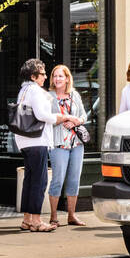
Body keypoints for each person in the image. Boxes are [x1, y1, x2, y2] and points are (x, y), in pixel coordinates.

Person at [15, 58, 81, 233]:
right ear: (34, 76)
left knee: (29, 180)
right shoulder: (35, 91)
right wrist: (64, 117)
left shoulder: (24, 90)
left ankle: (27, 219)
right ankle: (36, 221)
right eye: (43, 74)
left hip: (25, 141)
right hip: (37, 141)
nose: (46, 77)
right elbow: (43, 115)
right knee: (39, 180)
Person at [46, 64, 87, 227]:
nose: (57, 79)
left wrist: (78, 120)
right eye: (55, 76)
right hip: (58, 144)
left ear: (67, 78)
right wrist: (66, 118)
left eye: (60, 76)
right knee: (58, 179)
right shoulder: (48, 97)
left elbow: (83, 114)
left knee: (74, 179)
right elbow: (48, 118)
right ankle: (53, 216)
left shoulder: (74, 95)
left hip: (76, 143)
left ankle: (71, 215)